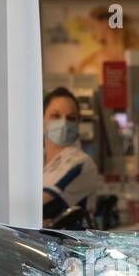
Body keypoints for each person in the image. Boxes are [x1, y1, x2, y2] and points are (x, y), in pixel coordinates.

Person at [42, 87, 101, 226]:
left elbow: (43, 208)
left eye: (71, 118)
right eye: (56, 116)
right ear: (42, 119)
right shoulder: (34, 164)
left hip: (72, 246)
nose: (63, 123)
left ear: (78, 123)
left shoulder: (81, 164)